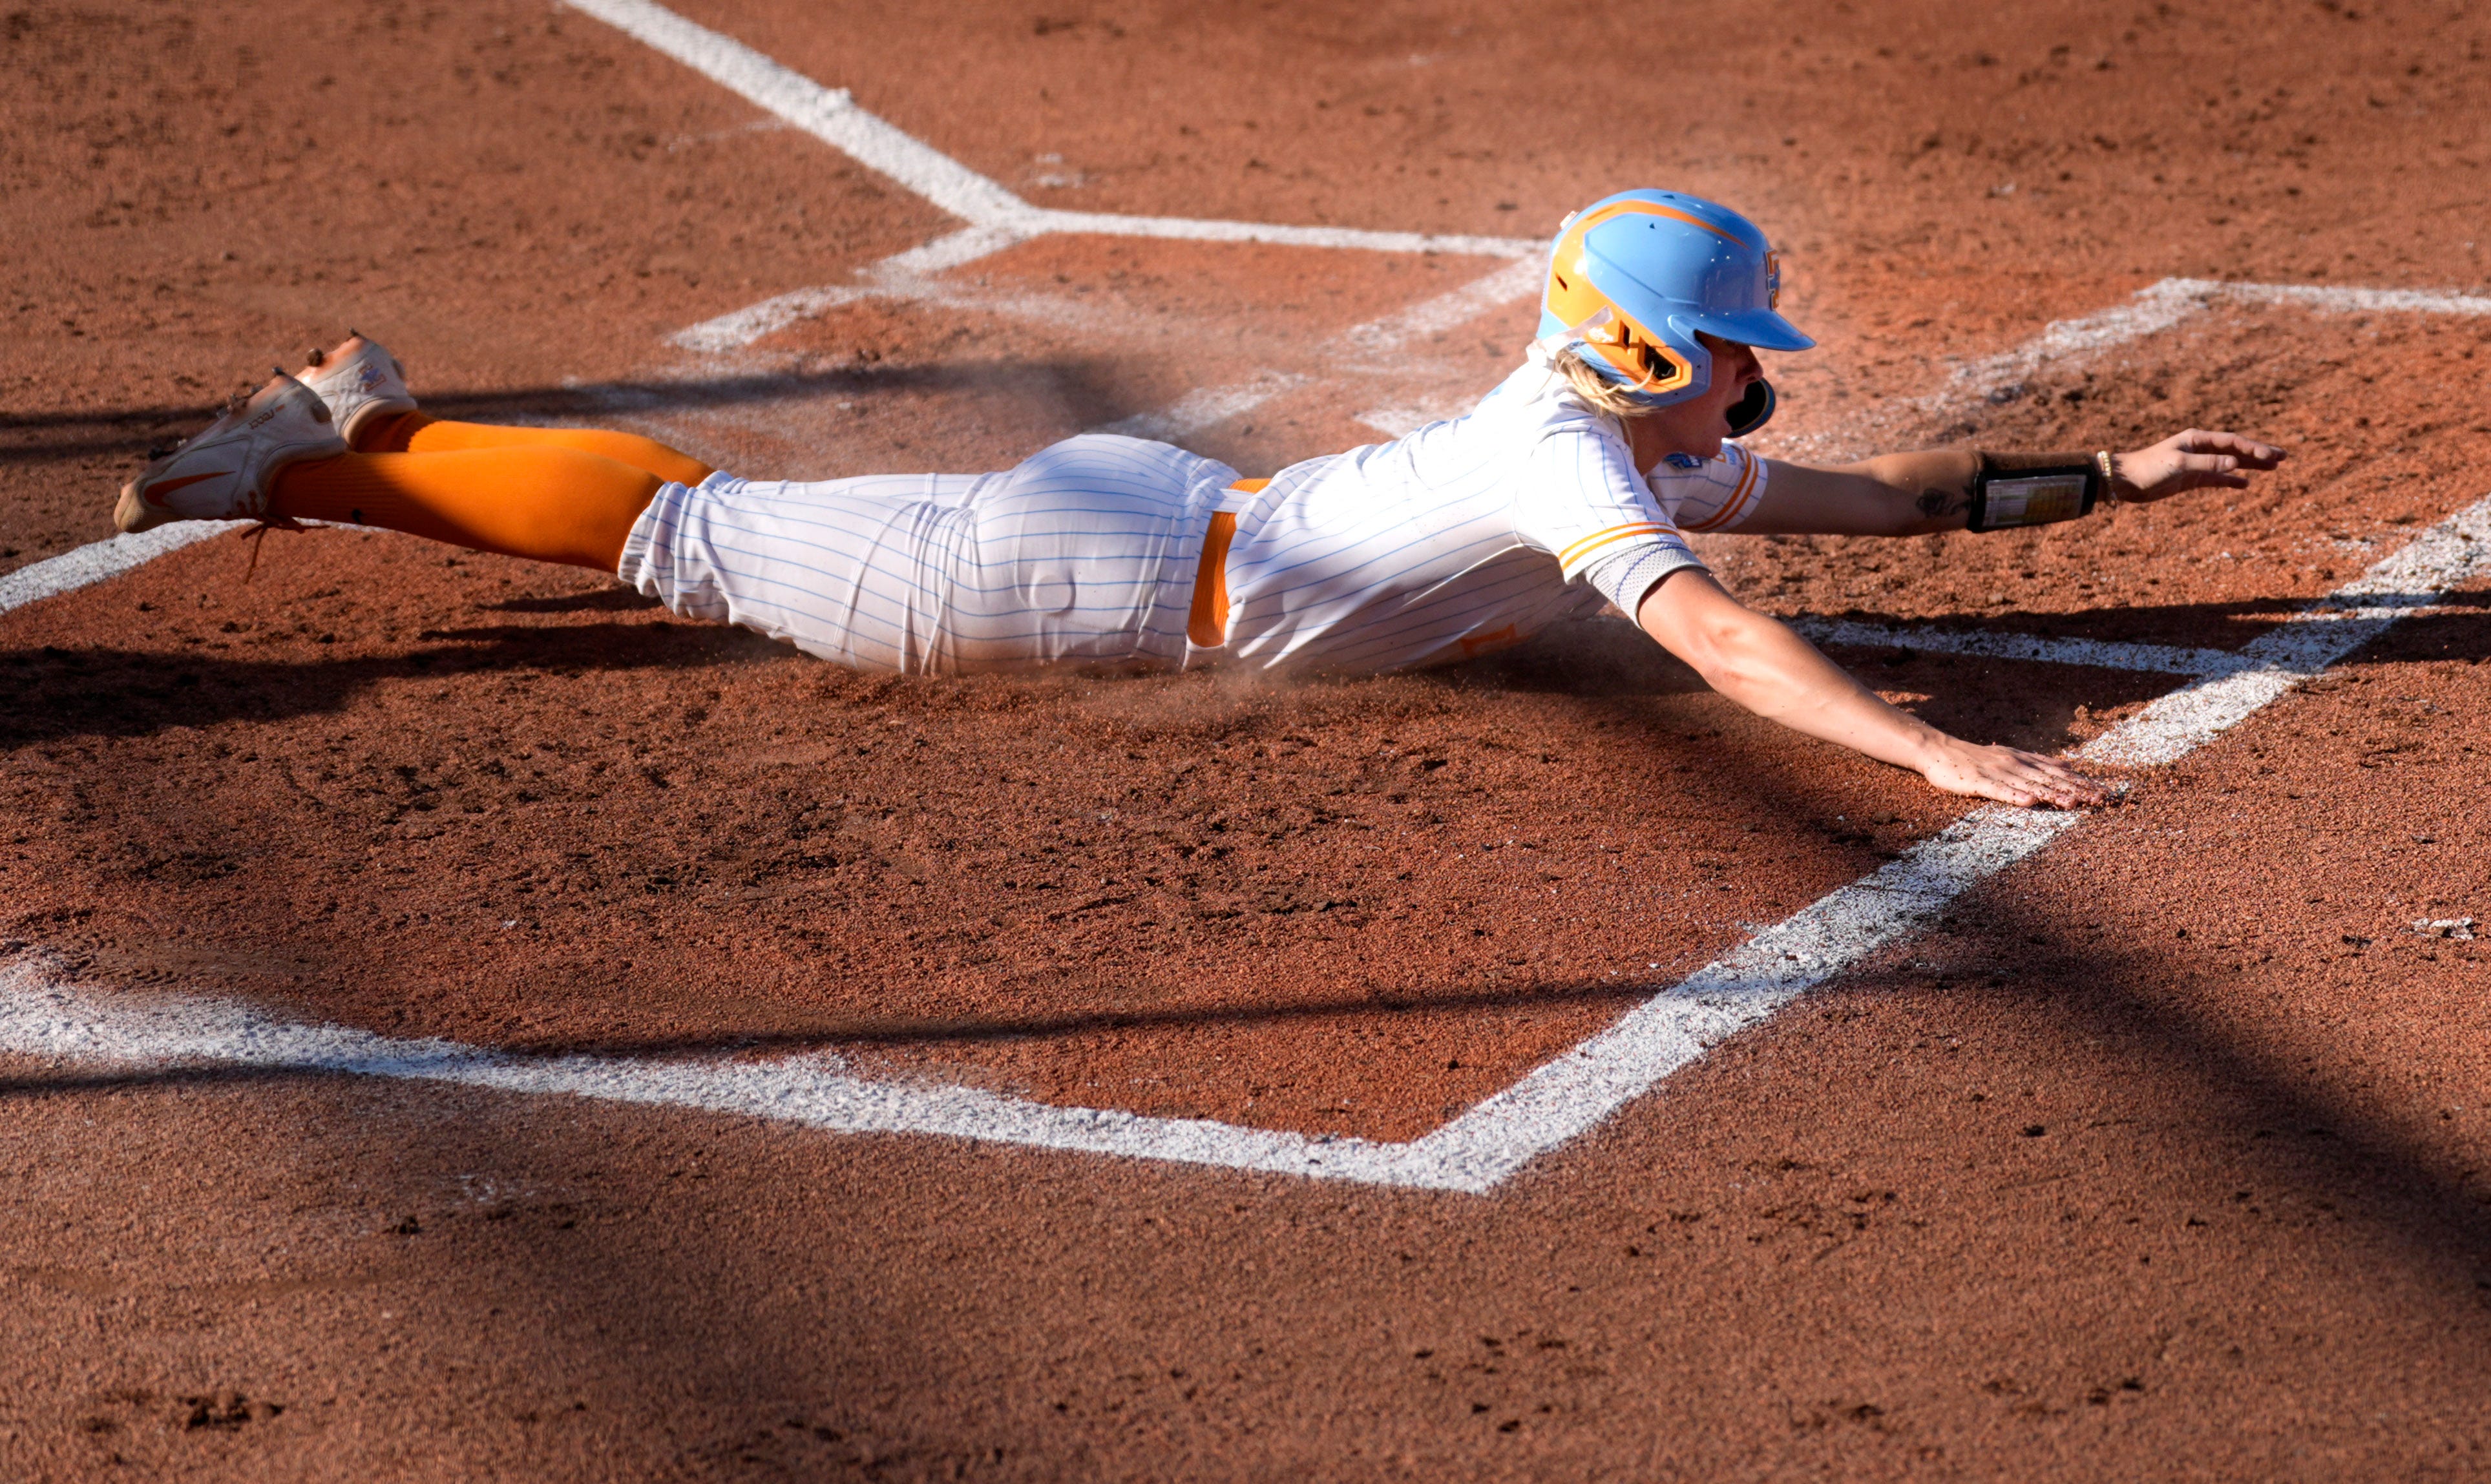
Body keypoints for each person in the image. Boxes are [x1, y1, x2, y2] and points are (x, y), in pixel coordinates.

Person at [114, 189, 2282, 810]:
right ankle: (326, 455)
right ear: (1643, 348)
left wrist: (2116, 475)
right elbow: (1713, 630)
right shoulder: (1566, 461)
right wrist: (1921, 750)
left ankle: (357, 430)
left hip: (1162, 522)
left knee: (712, 506)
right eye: (1731, 347)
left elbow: (1874, 499)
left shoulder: (1624, 434)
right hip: (1088, 580)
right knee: (685, 531)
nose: (1748, 379)